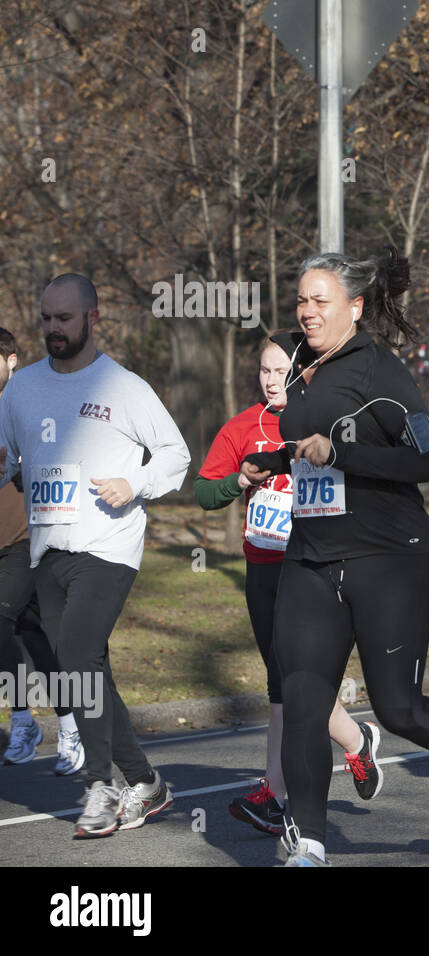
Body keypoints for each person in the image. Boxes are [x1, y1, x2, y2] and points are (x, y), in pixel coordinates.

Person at [240, 248, 429, 866]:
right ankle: (308, 844)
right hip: (310, 559)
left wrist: (342, 455)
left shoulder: (381, 371)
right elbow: (308, 449)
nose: (306, 311)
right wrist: (273, 462)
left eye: (319, 300)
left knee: (397, 707)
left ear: (354, 308)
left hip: (391, 559)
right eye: (301, 299)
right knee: (303, 701)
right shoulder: (301, 364)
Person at [0, 274, 190, 837]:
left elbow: (176, 454)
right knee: (81, 672)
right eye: (45, 319)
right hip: (47, 548)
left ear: (92, 317)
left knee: (77, 655)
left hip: (108, 546)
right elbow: (9, 455)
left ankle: (100, 786)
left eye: (64, 318)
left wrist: (134, 484)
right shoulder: (21, 389)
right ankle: (146, 781)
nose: (53, 329)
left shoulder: (123, 387)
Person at [196, 335, 380, 836]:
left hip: (313, 567)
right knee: (283, 679)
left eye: (282, 371)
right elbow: (203, 490)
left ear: (304, 372)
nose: (272, 380)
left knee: (290, 681)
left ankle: (277, 793)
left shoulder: (326, 422)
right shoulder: (242, 427)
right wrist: (239, 483)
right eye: (264, 371)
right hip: (263, 568)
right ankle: (355, 740)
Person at [0, 327, 81, 772]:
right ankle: (68, 722)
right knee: (33, 637)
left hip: (25, 537)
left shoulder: (30, 399)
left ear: (11, 359)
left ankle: (22, 718)